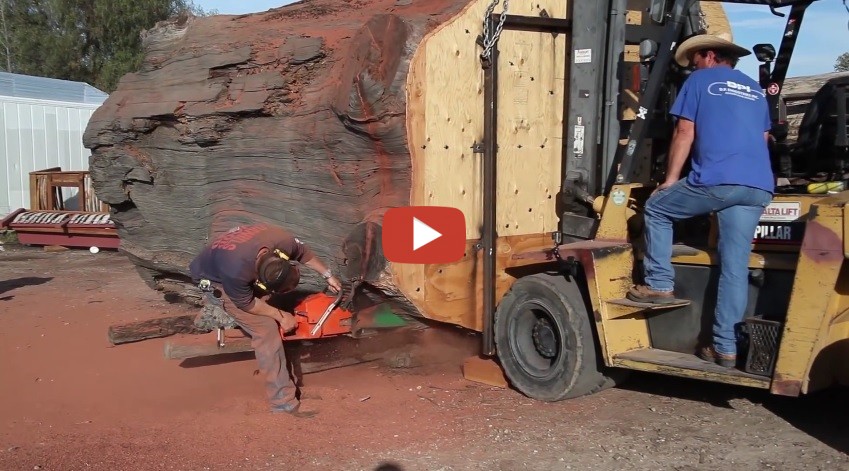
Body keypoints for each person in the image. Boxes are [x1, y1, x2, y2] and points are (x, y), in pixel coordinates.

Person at [626, 32, 774, 368]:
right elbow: (763, 138)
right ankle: (725, 349)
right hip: (757, 186)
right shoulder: (753, 88)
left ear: (708, 55)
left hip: (718, 181)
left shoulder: (700, 80)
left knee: (658, 209)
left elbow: (684, 131)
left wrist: (670, 179)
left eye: (694, 59)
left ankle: (659, 283)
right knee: (735, 268)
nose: (692, 64)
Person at [189, 223, 342, 416]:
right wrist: (280, 316)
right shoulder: (235, 271)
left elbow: (303, 252)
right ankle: (282, 402)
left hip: (238, 260)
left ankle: (284, 372)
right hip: (213, 280)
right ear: (259, 282)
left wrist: (328, 275)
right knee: (265, 328)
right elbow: (247, 303)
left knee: (279, 304)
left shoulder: (281, 240)